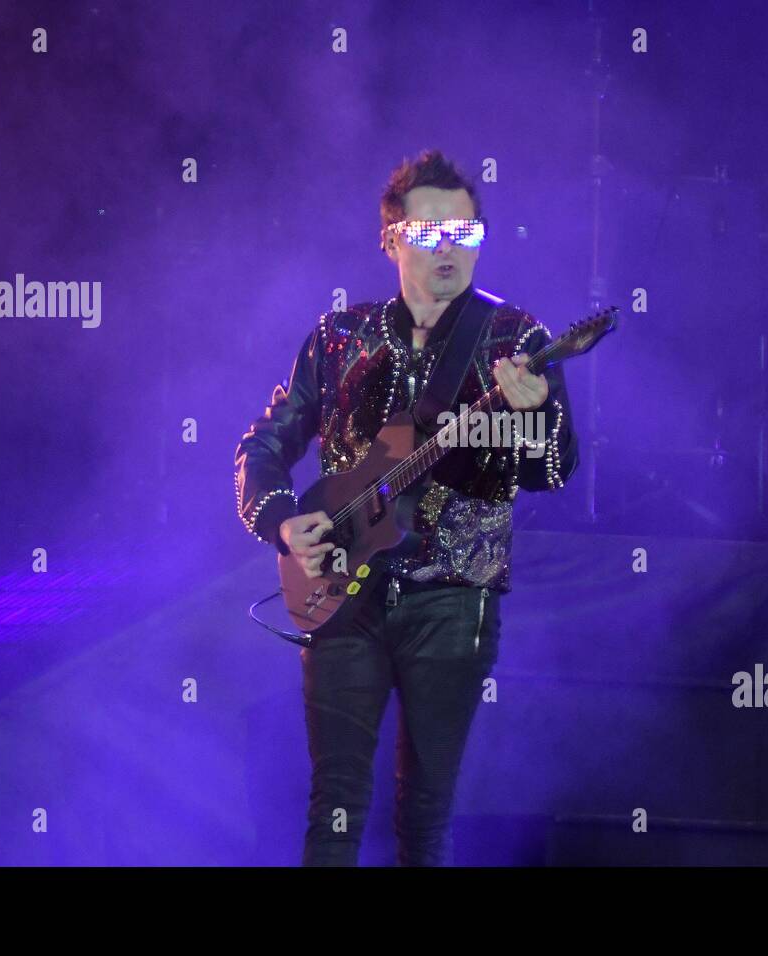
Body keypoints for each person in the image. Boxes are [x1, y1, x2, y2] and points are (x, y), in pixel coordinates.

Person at [234, 149, 579, 865]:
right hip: (341, 594)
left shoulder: (515, 340)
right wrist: (278, 519)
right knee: (334, 801)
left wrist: (538, 414)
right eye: (428, 234)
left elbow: (556, 469)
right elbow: (263, 444)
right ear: (390, 240)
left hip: (452, 600)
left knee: (426, 812)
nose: (449, 248)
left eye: (465, 232)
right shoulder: (339, 338)